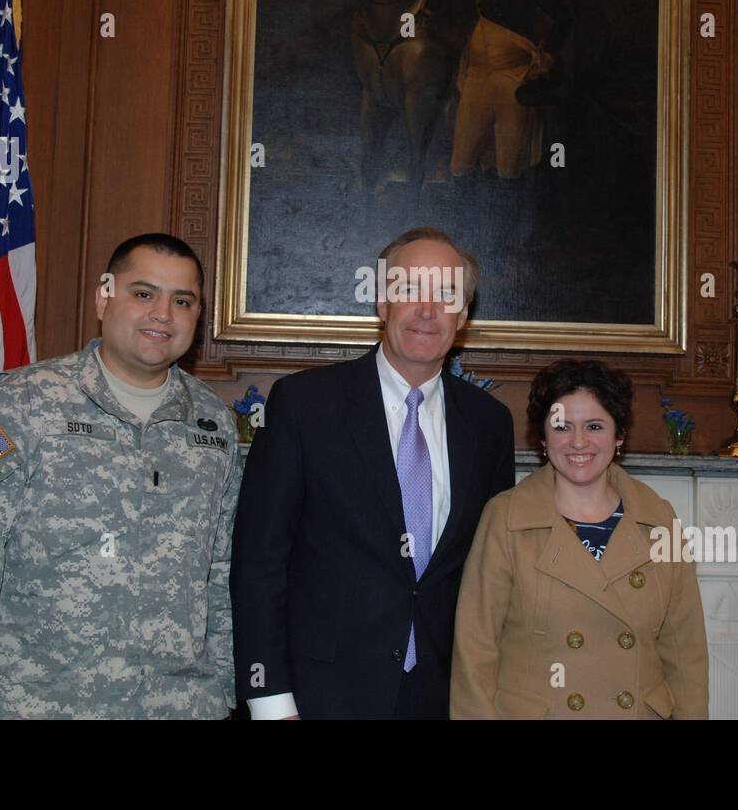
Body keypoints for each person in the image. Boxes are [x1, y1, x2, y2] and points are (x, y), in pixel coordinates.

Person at [0, 233, 241, 718]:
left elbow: (221, 572)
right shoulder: (24, 402)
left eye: (182, 300)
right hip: (39, 706)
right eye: (143, 293)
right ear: (103, 297)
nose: (162, 314)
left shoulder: (213, 423)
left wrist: (223, 688)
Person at [231, 226, 515, 719]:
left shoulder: (489, 424)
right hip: (319, 697)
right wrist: (271, 703)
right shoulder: (305, 405)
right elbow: (259, 562)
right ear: (382, 302)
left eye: (446, 294)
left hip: (444, 697)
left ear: (463, 315)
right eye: (409, 290)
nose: (427, 310)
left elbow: (492, 572)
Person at [451, 359, 709, 719]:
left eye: (594, 426)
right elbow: (475, 648)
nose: (578, 442)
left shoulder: (658, 519)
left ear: (619, 436)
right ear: (542, 437)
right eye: (562, 426)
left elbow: (686, 652)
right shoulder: (505, 519)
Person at [424, 0, 568, 182]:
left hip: (511, 78)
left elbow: (563, 18)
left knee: (509, 166)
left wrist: (545, 59)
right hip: (475, 76)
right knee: (461, 164)